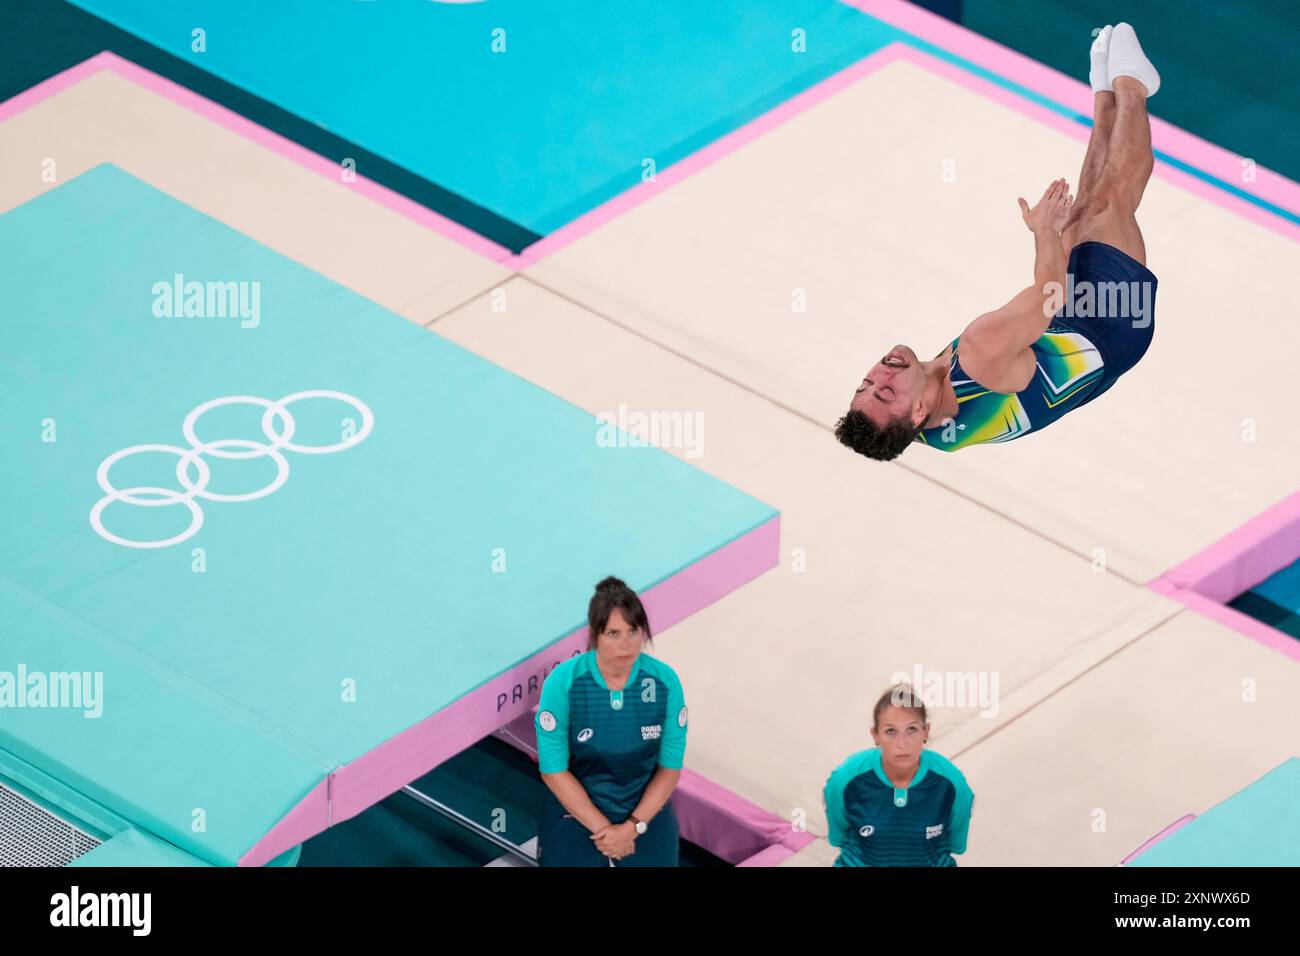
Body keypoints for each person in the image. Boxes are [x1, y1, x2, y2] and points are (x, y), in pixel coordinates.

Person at [836, 23, 1162, 459]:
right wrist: (1043, 232)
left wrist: (1059, 239)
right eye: (885, 392)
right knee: (1109, 206)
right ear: (916, 412)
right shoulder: (978, 355)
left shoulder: (929, 428)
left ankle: (1105, 96)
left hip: (1065, 340)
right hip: (1110, 329)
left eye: (867, 383)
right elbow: (1049, 295)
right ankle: (1134, 85)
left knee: (1081, 213)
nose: (881, 374)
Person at [535, 576, 688, 866]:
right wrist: (606, 831)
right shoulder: (564, 683)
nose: (626, 645)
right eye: (613, 634)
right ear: (594, 635)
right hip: (577, 811)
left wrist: (633, 826)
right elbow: (553, 770)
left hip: (644, 812)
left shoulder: (664, 682)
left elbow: (669, 769)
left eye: (633, 632)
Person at [823, 684, 973, 866]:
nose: (902, 744)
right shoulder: (845, 780)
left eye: (912, 729)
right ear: (875, 734)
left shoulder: (952, 784)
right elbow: (839, 836)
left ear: (926, 731)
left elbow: (955, 844)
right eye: (890, 731)